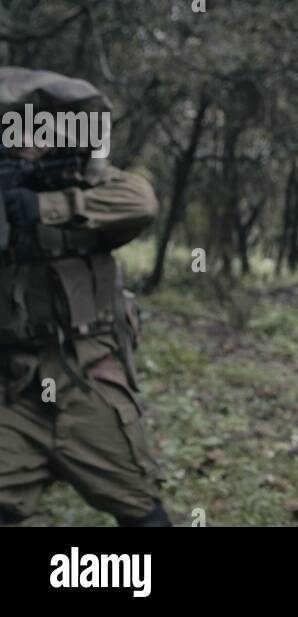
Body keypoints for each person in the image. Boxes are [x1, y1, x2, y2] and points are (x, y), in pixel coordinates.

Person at [0, 67, 169, 526]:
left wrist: (51, 207)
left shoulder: (90, 185)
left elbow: (142, 203)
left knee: (144, 513)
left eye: (38, 131)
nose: (26, 144)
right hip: (13, 390)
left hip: (87, 382)